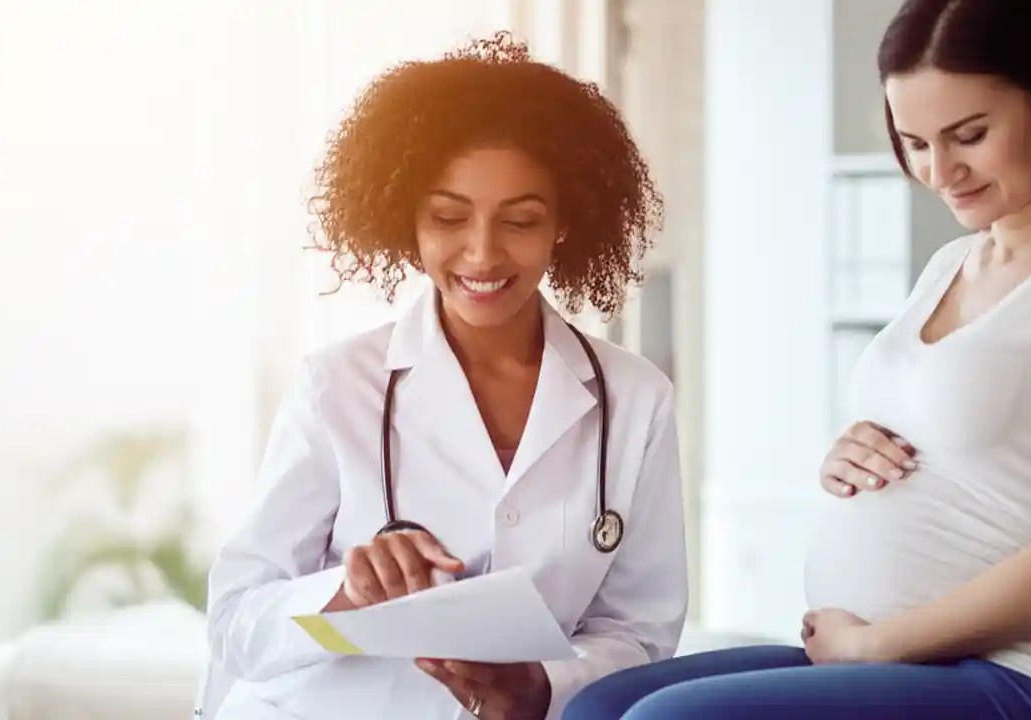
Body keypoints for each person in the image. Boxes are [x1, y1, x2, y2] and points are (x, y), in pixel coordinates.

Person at [563, 0, 1031, 718]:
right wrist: (853, 456)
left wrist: (874, 646)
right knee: (598, 706)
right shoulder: (950, 265)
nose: (940, 170)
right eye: (913, 141)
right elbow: (968, 439)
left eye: (968, 135)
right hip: (907, 659)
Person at [196, 32, 688, 720]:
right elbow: (234, 624)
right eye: (449, 217)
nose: (483, 253)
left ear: (564, 223)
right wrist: (348, 590)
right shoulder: (337, 386)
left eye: (520, 220)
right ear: (409, 219)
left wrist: (542, 686)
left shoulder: (633, 402)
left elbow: (640, 629)